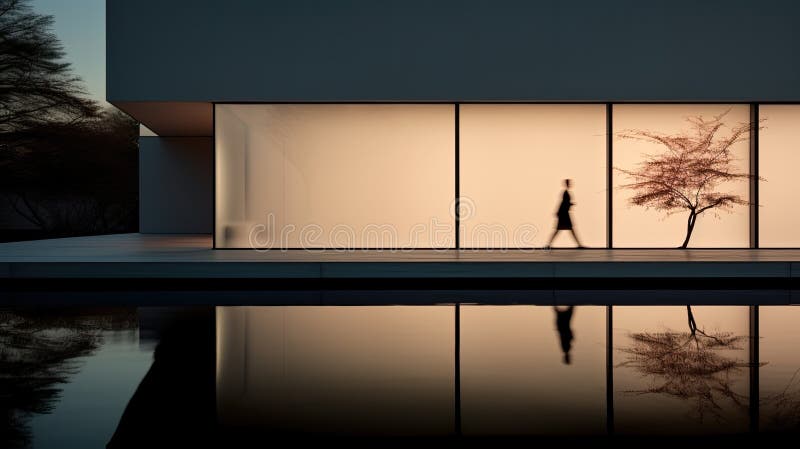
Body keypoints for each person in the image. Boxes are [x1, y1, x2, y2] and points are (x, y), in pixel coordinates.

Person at [546, 179, 583, 248]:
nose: (570, 184)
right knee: (568, 229)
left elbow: (562, 203)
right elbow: (564, 203)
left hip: (563, 213)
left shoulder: (566, 192)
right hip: (564, 214)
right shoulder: (566, 193)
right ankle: (579, 244)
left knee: (562, 230)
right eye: (569, 183)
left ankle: (548, 244)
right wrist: (570, 204)